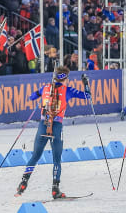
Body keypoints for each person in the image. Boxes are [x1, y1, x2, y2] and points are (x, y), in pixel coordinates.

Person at [16, 66, 91, 199]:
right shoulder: (68, 90)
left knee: (35, 156)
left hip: (43, 125)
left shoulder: (45, 87)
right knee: (56, 159)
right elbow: (87, 96)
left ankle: (23, 182)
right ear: (65, 78)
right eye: (67, 78)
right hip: (56, 126)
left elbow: (31, 97)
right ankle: (55, 189)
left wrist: (41, 95)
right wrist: (86, 83)